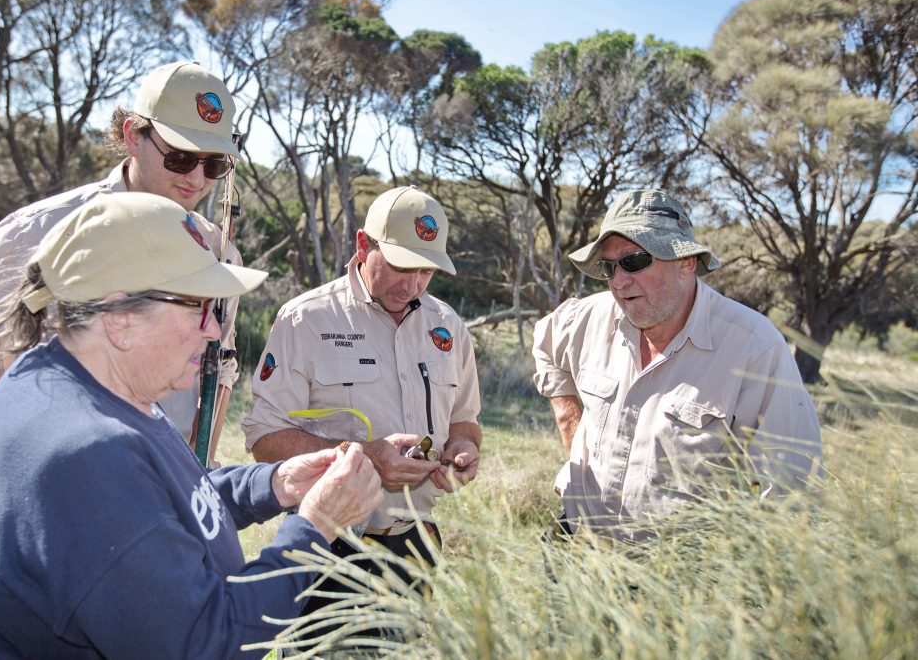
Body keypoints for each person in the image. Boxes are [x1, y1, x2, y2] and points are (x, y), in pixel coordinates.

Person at [0, 192, 383, 659]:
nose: (213, 330)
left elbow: (160, 506)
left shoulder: (86, 387)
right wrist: (315, 527)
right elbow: (207, 645)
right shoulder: (84, 454)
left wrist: (273, 484)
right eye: (198, 306)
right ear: (121, 318)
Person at [0, 60, 243, 465]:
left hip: (161, 492)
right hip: (54, 490)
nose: (197, 180)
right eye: (180, 157)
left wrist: (195, 479)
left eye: (214, 164)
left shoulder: (218, 253)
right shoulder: (37, 232)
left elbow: (221, 370)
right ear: (133, 136)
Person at [532, 189, 823, 541]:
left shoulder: (755, 348)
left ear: (686, 262)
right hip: (579, 542)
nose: (618, 282)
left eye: (634, 261)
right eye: (608, 267)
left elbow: (790, 493)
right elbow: (546, 342)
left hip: (680, 568)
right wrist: (569, 420)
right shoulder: (590, 317)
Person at [242, 185, 482, 609]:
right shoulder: (305, 319)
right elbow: (265, 439)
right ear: (363, 245)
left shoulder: (447, 324)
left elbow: (465, 422)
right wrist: (365, 458)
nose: (412, 285)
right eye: (400, 266)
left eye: (426, 272)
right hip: (327, 544)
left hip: (413, 545)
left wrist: (463, 449)